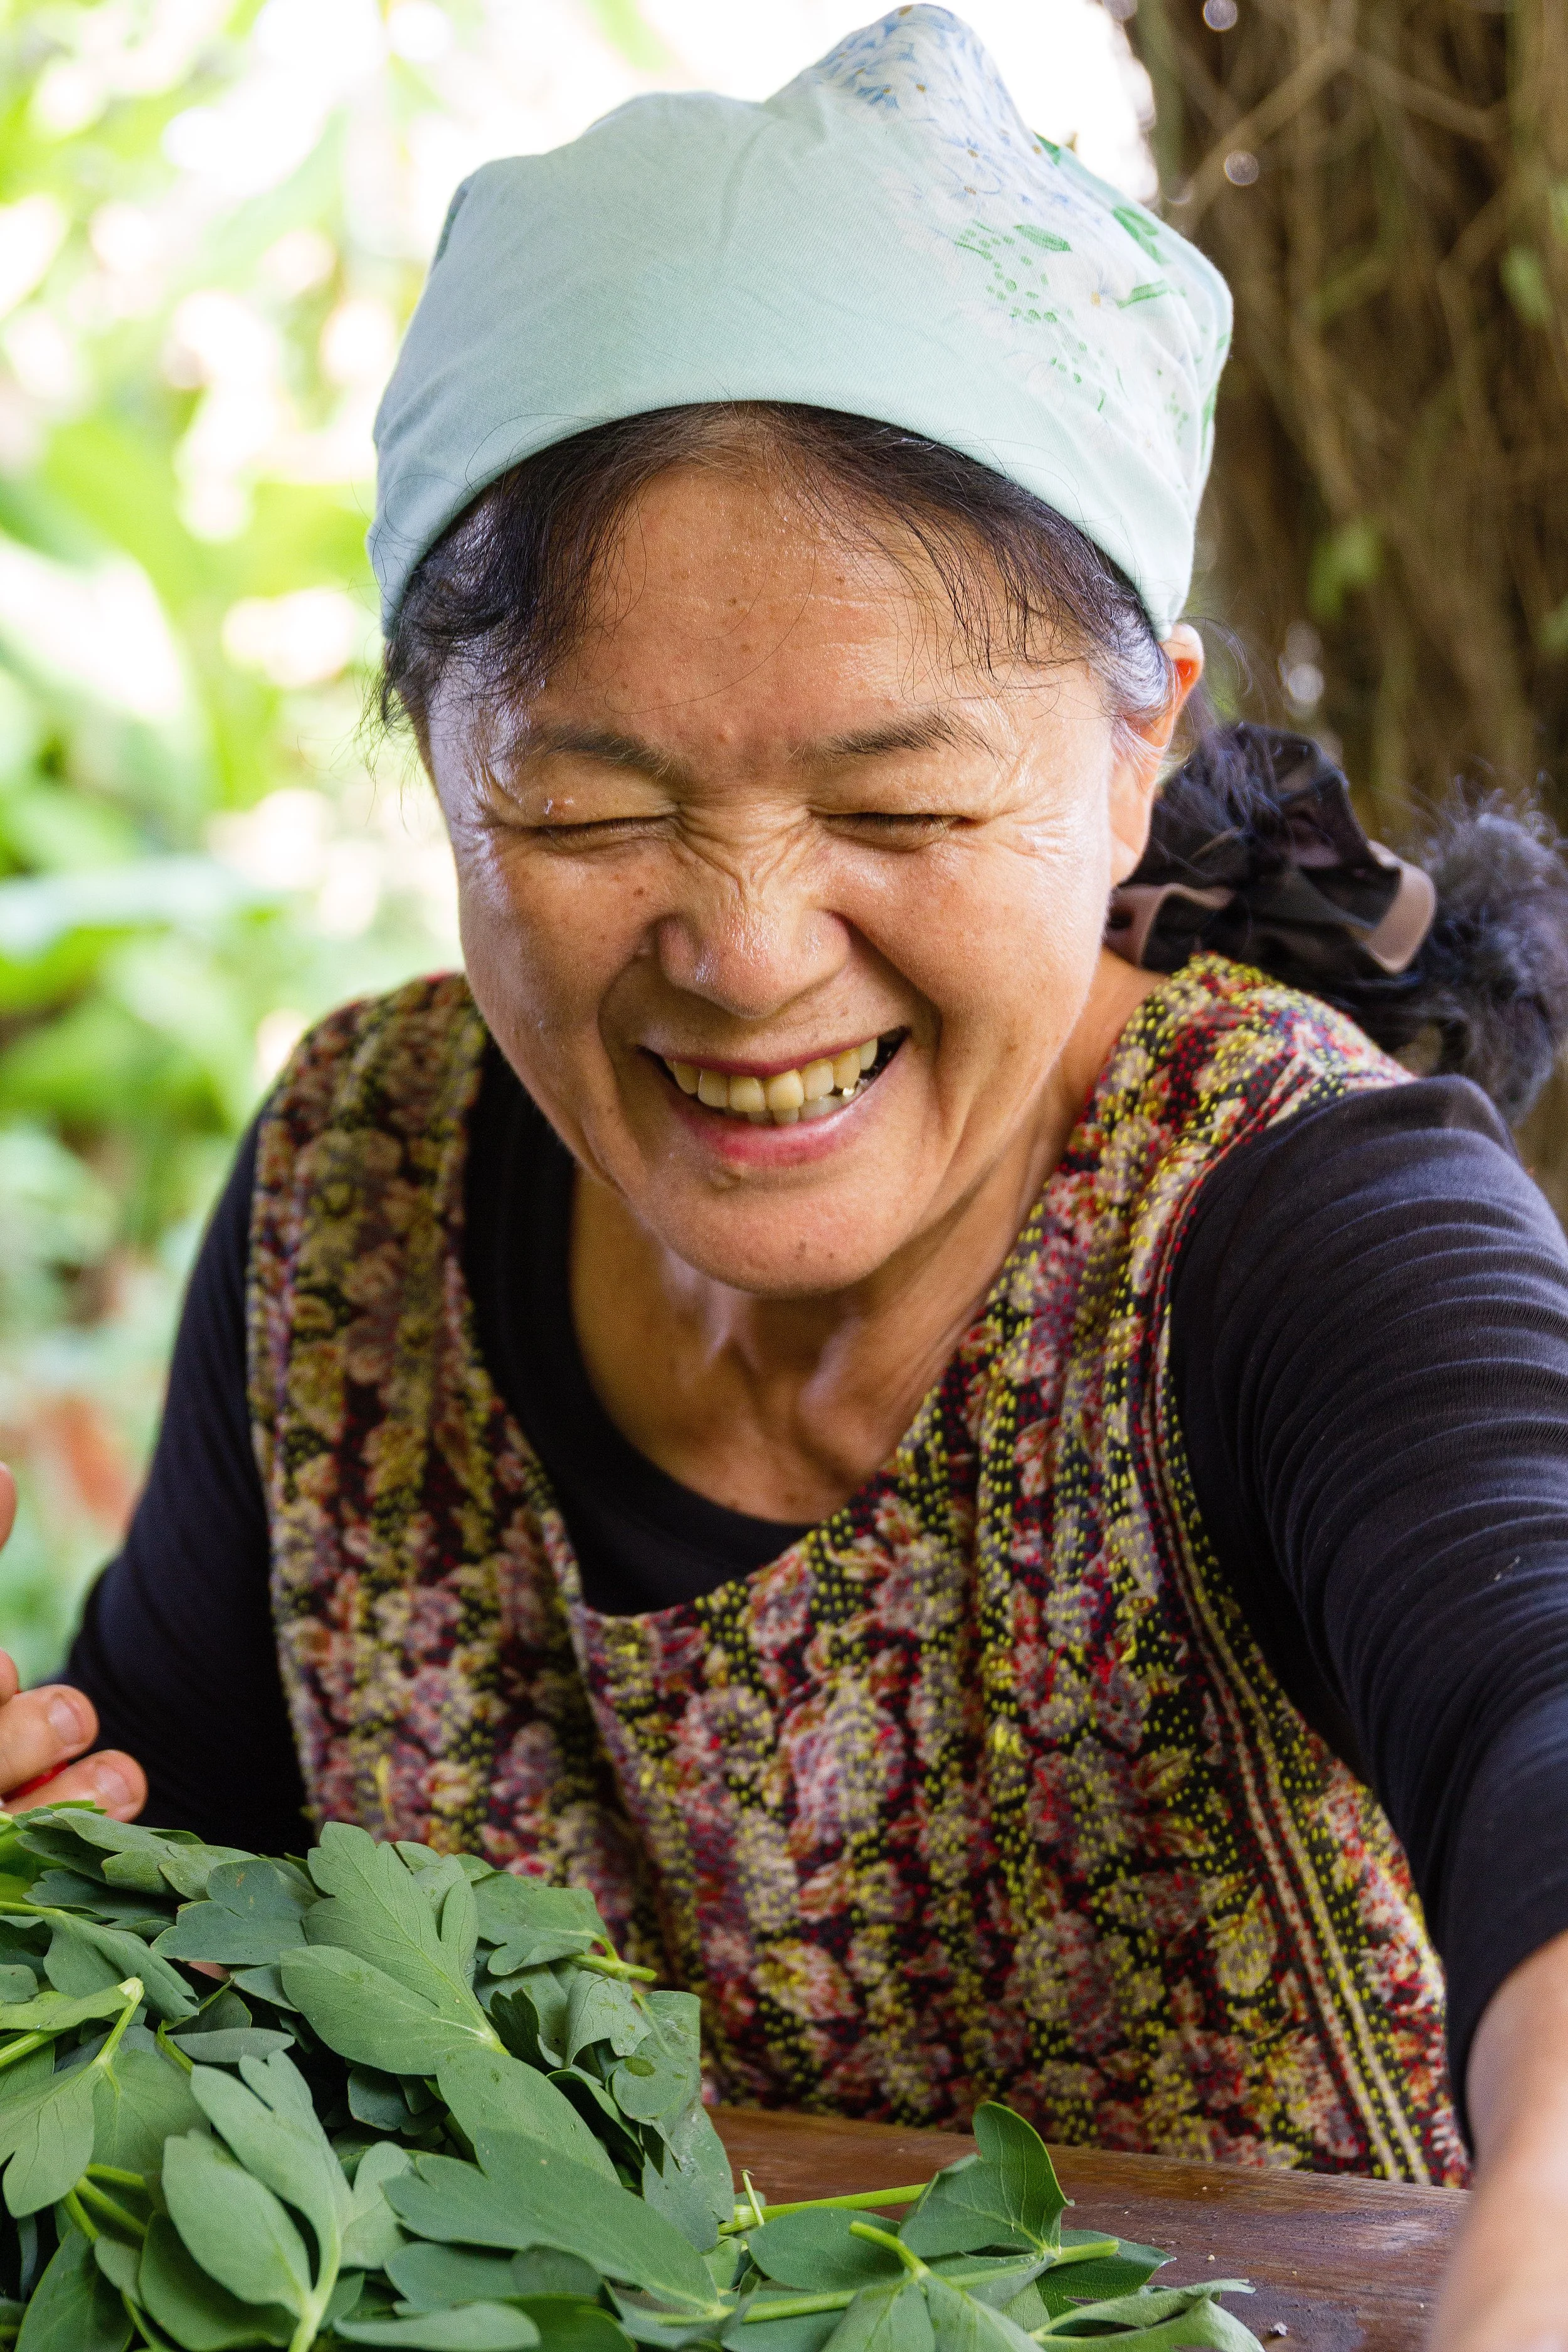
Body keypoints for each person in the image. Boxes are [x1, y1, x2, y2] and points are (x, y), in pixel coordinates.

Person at [1, 8, 1567, 2342]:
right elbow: (178, 1895)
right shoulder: (361, 1191)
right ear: (432, 764)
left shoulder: (1293, 1226)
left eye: (898, 809)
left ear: (1139, 749)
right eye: (589, 808)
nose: (743, 954)